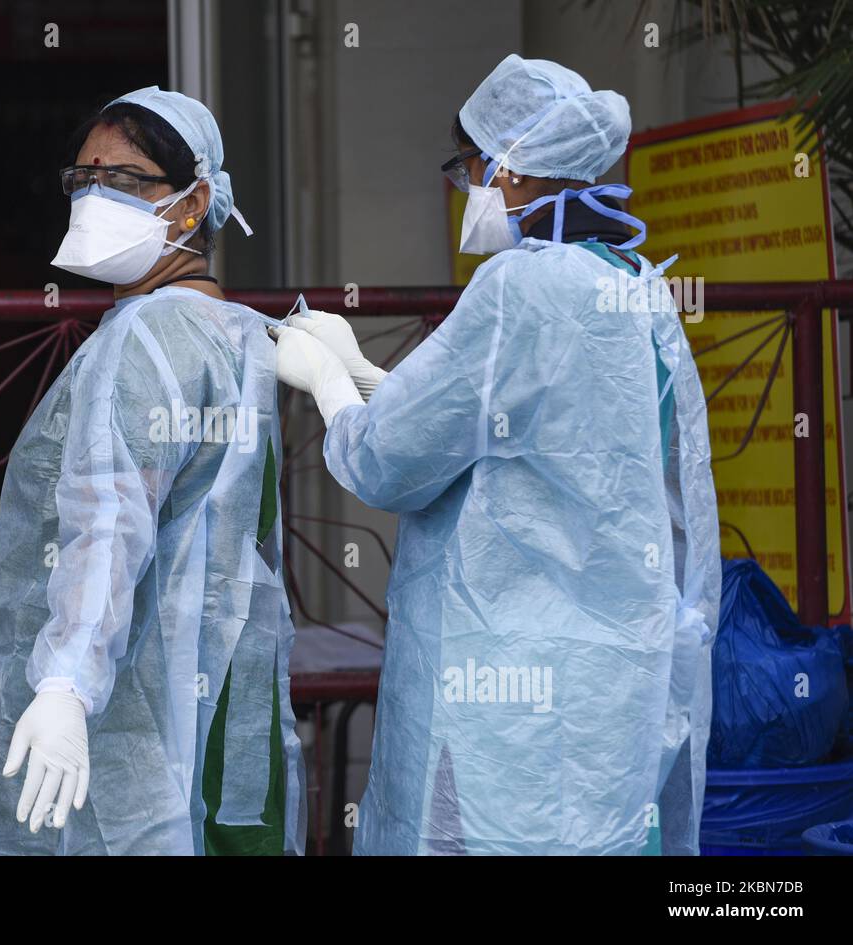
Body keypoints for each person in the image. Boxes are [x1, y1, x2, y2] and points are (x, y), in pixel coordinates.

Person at [272, 54, 720, 855]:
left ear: (507, 170)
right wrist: (375, 376)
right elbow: (508, 424)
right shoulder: (636, 284)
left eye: (467, 170)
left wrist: (328, 385)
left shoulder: (520, 288)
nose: (465, 191)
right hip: (611, 679)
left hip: (506, 696)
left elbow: (384, 465)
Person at [0, 87, 306, 855]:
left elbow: (110, 522)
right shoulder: (237, 331)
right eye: (82, 179)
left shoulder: (144, 337)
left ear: (194, 204)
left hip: (129, 707)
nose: (92, 197)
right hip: (218, 695)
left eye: (122, 180)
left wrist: (64, 683)